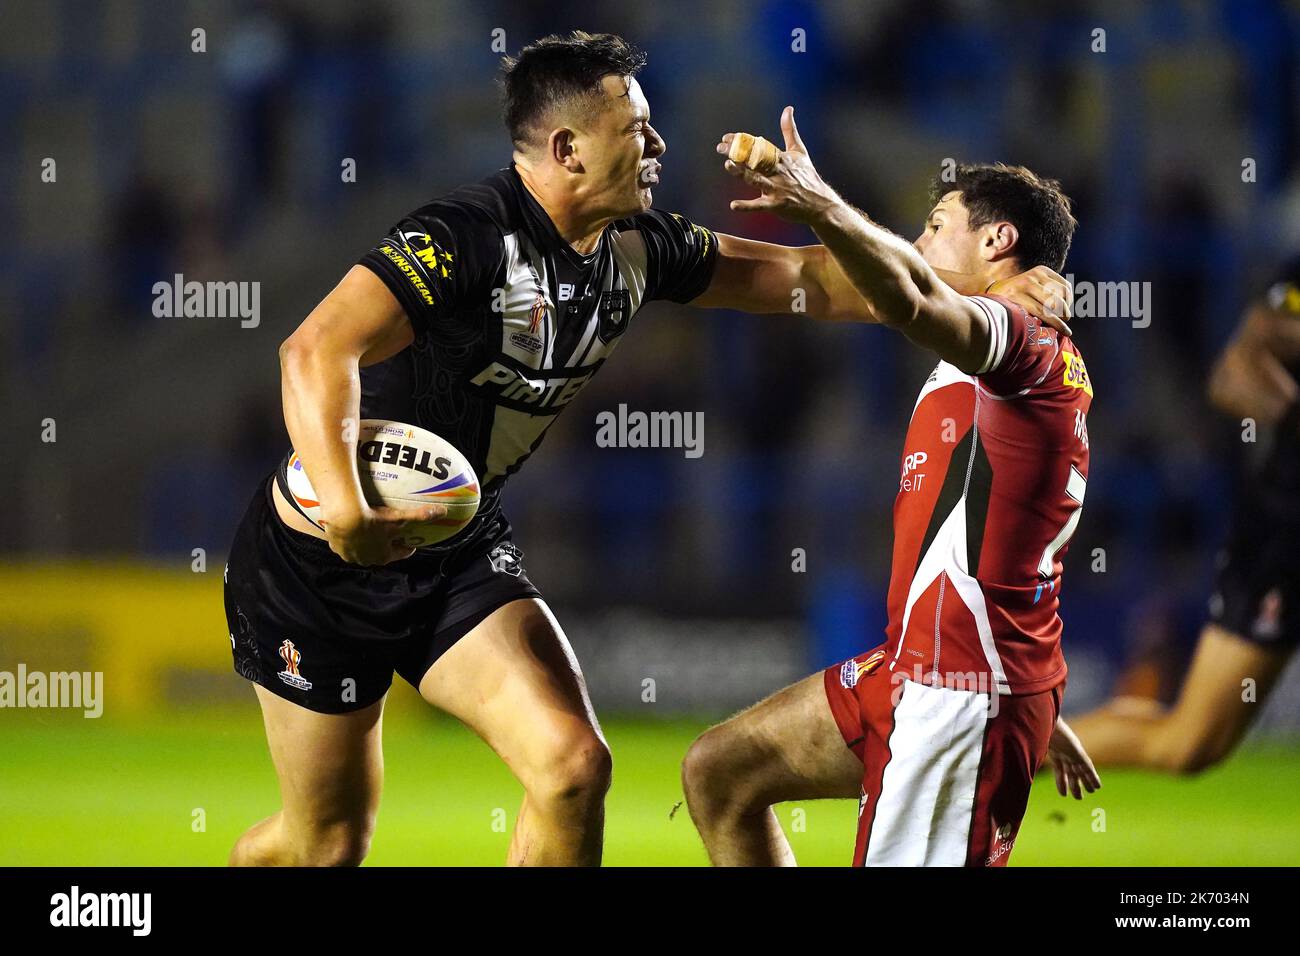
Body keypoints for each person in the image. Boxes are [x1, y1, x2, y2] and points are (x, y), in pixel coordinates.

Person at [223, 32, 1073, 867]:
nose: (659, 143)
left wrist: (977, 289)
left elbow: (811, 281)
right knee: (324, 845)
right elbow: (314, 350)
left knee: (573, 769)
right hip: (319, 556)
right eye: (636, 128)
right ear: (567, 149)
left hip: (454, 544)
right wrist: (344, 507)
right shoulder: (467, 234)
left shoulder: (640, 248)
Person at [682, 108, 1100, 867]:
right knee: (722, 771)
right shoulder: (999, 341)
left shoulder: (1022, 338)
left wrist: (817, 198)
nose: (919, 241)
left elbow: (909, 297)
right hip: (922, 669)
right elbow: (816, 278)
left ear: (998, 241)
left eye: (938, 224)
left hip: (961, 690)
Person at [1070, 258, 1300, 774]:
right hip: (1285, 532)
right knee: (1188, 744)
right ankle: (992, 758)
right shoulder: (1291, 285)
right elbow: (1232, 376)